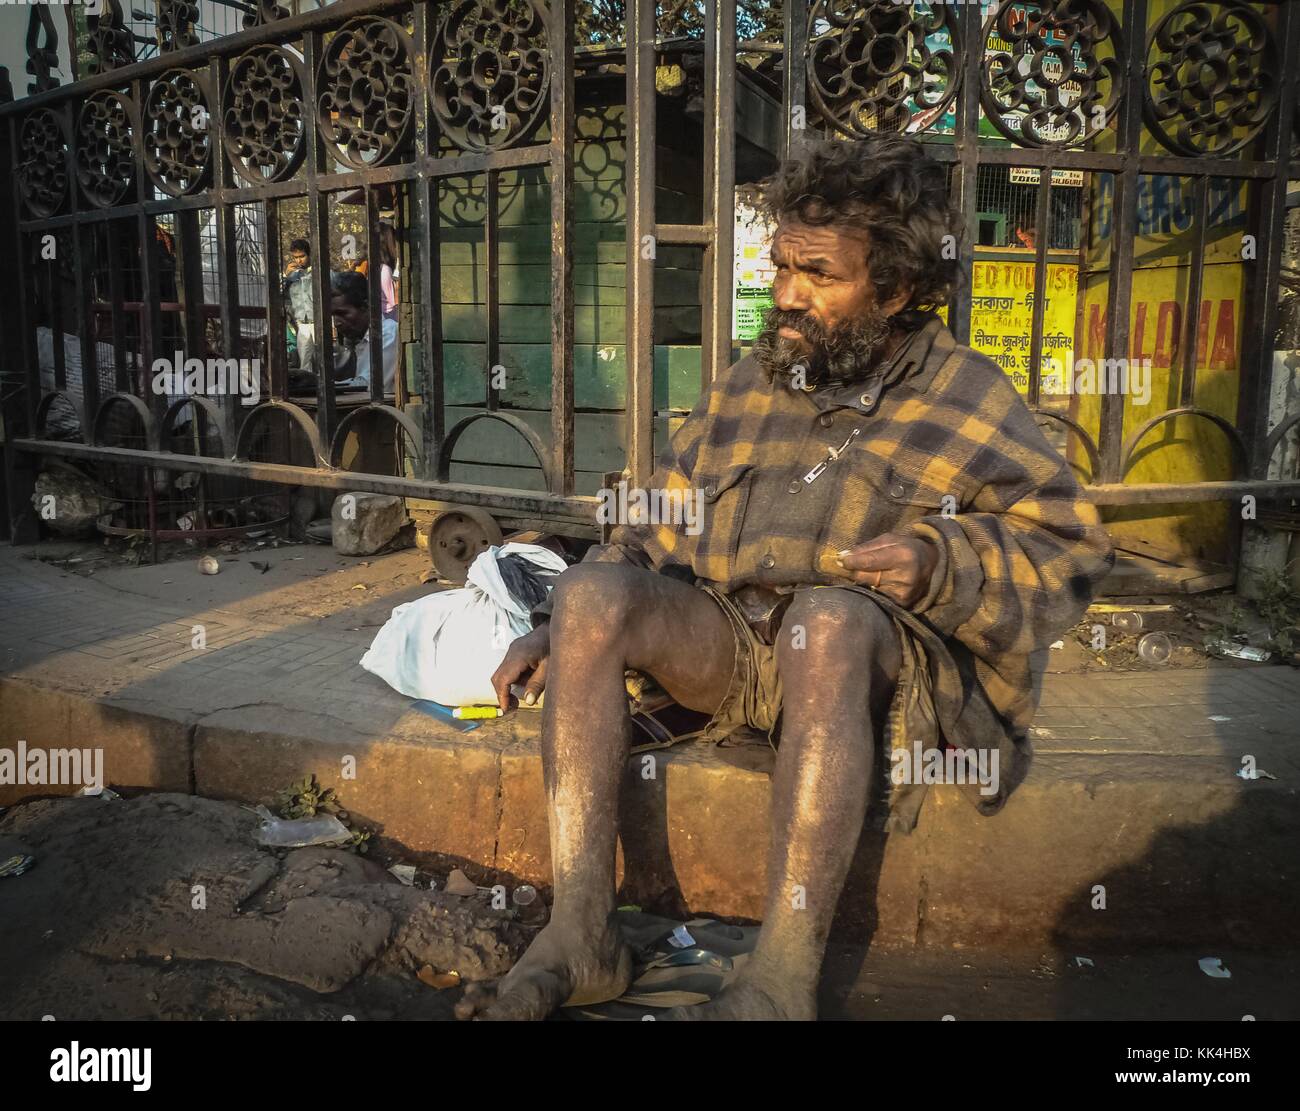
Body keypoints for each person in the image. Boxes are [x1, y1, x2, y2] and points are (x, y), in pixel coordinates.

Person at [463, 134, 1115, 1022]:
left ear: (894, 288)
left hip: (876, 673)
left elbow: (1069, 555)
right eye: (780, 267)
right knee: (589, 594)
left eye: (819, 274)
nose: (787, 294)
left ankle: (778, 982)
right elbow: (657, 525)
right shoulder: (747, 387)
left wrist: (938, 562)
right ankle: (582, 937)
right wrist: (557, 630)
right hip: (738, 648)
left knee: (828, 623)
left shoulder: (968, 394)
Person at [327, 270, 399, 394]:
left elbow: (367, 385)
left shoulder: (388, 334)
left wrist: (320, 385)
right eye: (334, 316)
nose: (337, 322)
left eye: (343, 314)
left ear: (365, 307)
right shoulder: (356, 340)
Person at [282, 238, 315, 371]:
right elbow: (278, 295)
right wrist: (285, 275)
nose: (299, 260)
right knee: (305, 361)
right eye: (295, 257)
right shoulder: (291, 276)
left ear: (309, 255)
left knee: (321, 357)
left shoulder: (318, 271)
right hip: (302, 323)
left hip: (319, 320)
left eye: (302, 256)